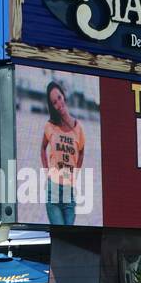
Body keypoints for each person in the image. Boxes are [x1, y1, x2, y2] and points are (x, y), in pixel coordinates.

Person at [39, 80, 85, 226]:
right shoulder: (49, 126)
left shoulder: (78, 128)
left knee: (69, 236)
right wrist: (47, 172)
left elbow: (82, 151)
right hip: (53, 189)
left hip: (69, 190)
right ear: (52, 106)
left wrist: (75, 174)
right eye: (54, 102)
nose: (59, 103)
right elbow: (42, 149)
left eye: (59, 98)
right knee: (60, 233)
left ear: (63, 96)